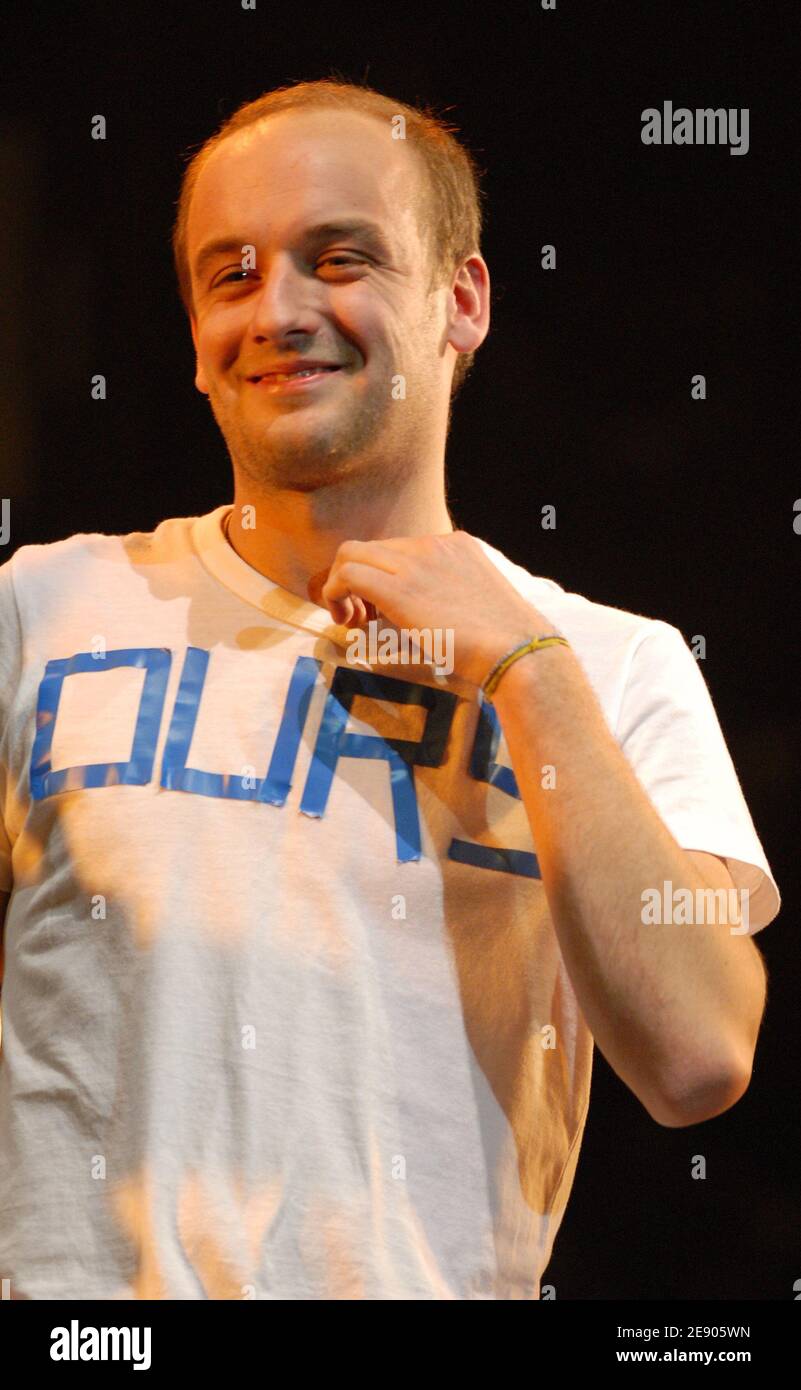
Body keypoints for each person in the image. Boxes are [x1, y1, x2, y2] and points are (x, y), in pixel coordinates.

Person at [0, 78, 780, 1301]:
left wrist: (527, 669)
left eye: (339, 257)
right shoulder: (39, 612)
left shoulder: (613, 663)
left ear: (460, 302)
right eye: (233, 272)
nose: (281, 310)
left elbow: (699, 1054)